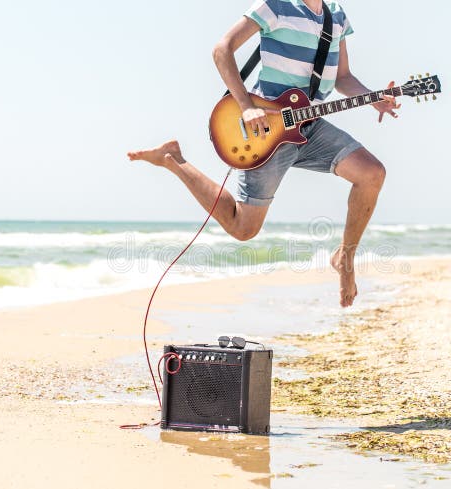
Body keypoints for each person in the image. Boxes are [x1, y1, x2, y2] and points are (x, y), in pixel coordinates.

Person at [128, 0, 400, 307]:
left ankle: (345, 257)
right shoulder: (277, 5)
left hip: (309, 125)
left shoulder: (335, 15)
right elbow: (222, 50)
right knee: (243, 228)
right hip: (265, 130)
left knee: (372, 174)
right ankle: (174, 160)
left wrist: (373, 98)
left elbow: (342, 78)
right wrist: (246, 107)